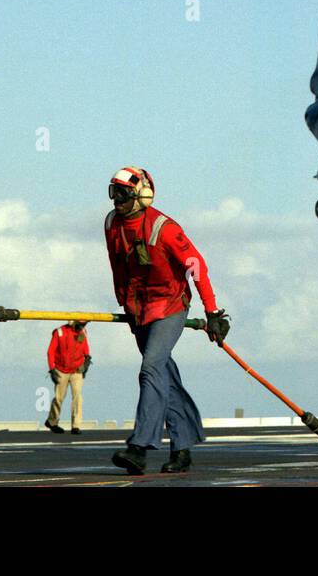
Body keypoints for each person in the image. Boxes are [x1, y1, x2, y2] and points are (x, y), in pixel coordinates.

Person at [104, 166, 230, 475]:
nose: (116, 200)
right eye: (113, 193)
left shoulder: (164, 227)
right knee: (162, 374)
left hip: (170, 306)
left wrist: (212, 312)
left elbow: (197, 266)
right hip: (138, 309)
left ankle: (139, 448)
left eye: (123, 194)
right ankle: (182, 449)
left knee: (150, 368)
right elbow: (117, 264)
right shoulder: (111, 223)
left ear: (142, 196)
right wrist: (124, 300)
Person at [45, 319, 91, 435]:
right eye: (80, 324)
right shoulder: (59, 332)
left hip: (76, 370)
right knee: (59, 397)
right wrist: (52, 369)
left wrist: (86, 364)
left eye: (84, 324)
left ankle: (76, 425)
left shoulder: (83, 332)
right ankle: (52, 421)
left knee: (78, 397)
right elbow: (50, 352)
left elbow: (86, 351)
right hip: (61, 370)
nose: (82, 327)